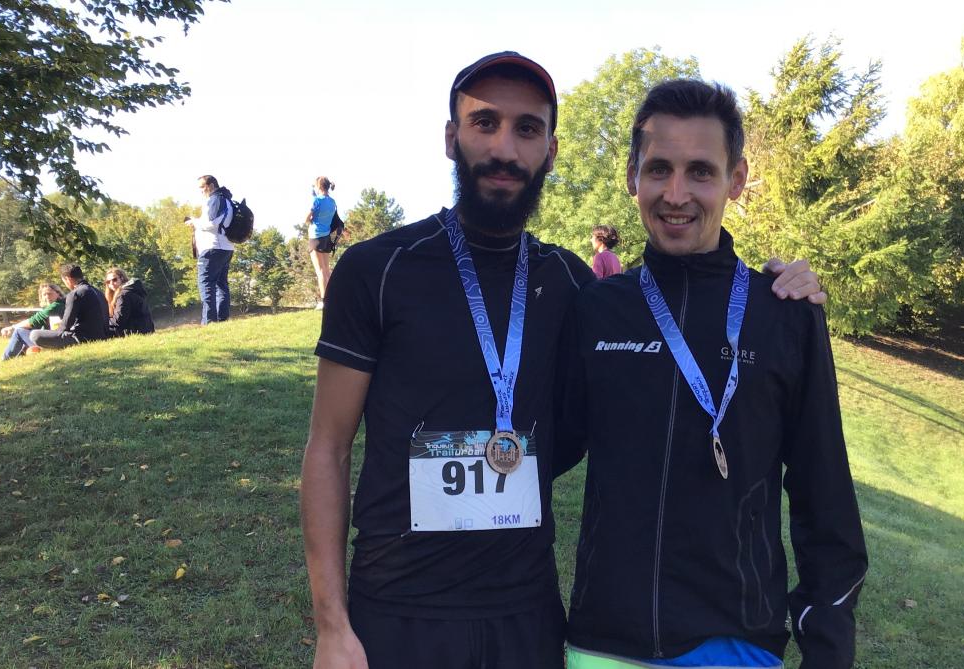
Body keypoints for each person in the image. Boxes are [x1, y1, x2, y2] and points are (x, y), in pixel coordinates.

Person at [301, 53, 825, 669]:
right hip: (398, 608)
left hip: (529, 615)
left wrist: (788, 288)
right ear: (451, 138)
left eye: (527, 129)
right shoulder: (377, 270)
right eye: (484, 123)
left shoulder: (575, 286)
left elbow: (625, 379)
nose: (505, 148)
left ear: (550, 149)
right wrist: (332, 626)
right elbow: (327, 449)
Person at [555, 80, 867, 669]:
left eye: (701, 171)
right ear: (632, 176)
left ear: (737, 179)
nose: (676, 194)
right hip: (603, 643)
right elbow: (543, 449)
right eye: (659, 169)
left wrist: (828, 648)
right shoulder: (596, 309)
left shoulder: (785, 314)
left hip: (734, 645)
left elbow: (824, 496)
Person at [186, 174, 234, 324]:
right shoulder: (226, 200)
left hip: (212, 248)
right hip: (226, 247)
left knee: (206, 283)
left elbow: (212, 223)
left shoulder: (215, 199)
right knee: (221, 284)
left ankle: (209, 321)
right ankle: (222, 319)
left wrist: (194, 222)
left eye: (202, 187)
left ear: (211, 185)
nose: (200, 191)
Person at [29, 264, 108, 351]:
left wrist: (55, 332)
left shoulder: (75, 294)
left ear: (68, 279)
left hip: (83, 338)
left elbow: (65, 325)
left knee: (35, 335)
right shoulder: (97, 291)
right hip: (103, 335)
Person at [0, 283, 65, 360]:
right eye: (44, 294)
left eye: (50, 294)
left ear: (58, 294)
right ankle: (18, 357)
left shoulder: (56, 306)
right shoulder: (58, 305)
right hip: (56, 339)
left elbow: (32, 321)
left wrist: (11, 327)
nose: (47, 297)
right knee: (25, 331)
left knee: (19, 332)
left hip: (57, 341)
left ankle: (4, 360)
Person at [306, 176, 337, 308]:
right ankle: (332, 298)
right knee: (326, 270)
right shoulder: (332, 201)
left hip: (315, 237)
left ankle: (325, 301)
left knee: (319, 271)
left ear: (319, 186)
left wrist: (309, 221)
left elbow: (307, 218)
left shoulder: (317, 200)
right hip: (326, 237)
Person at [104, 267, 155, 336]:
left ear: (122, 278)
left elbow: (118, 321)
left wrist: (103, 323)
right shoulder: (131, 291)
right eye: (108, 282)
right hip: (145, 331)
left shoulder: (124, 295)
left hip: (137, 333)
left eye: (114, 280)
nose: (111, 283)